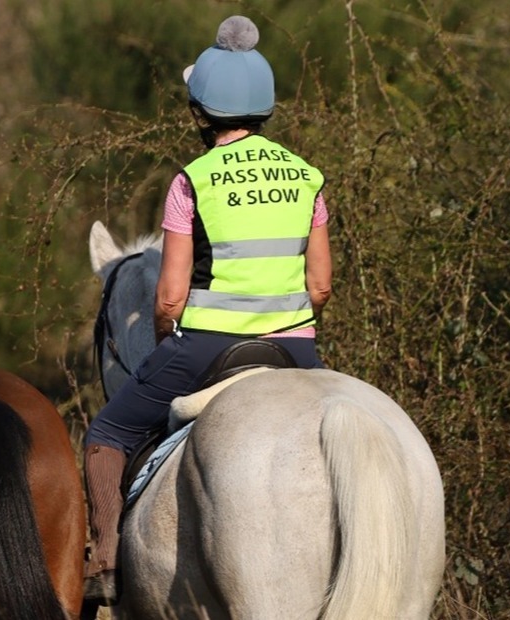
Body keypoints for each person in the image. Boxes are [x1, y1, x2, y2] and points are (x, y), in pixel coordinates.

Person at [81, 15, 333, 605]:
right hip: (296, 347)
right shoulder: (308, 177)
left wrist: (169, 331)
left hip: (206, 345)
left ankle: (106, 566)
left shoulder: (190, 182)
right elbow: (320, 287)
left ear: (201, 113)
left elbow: (168, 297)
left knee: (107, 431)